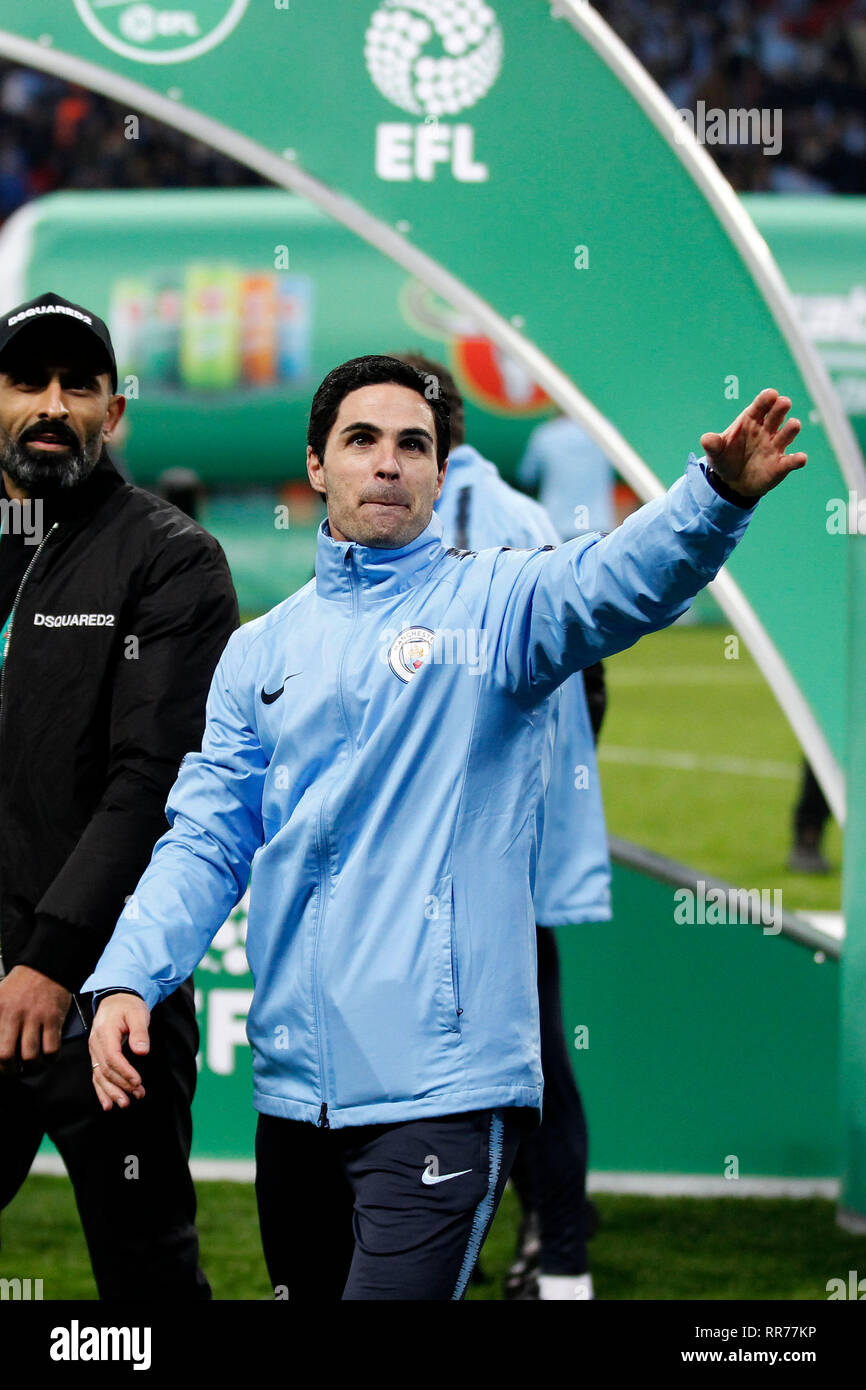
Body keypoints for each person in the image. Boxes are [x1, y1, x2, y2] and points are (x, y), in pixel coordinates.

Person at [85, 356, 805, 1301]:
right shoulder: (258, 652)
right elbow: (207, 838)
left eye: (412, 444)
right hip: (294, 1095)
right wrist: (132, 972)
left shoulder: (499, 606)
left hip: (445, 1095)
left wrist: (712, 499)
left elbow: (617, 582)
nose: (388, 462)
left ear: (439, 471)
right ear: (316, 467)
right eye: (362, 441)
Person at [0, 291, 238, 1300]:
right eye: (27, 381)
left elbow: (153, 782)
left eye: (79, 384)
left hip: (106, 995)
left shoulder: (170, 557)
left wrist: (50, 962)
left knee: (148, 1282)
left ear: (115, 412)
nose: (53, 403)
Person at [398, 353, 607, 1299]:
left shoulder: (465, 525)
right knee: (516, 1055)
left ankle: (556, 1252)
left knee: (513, 1060)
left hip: (474, 853)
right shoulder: (510, 515)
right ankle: (541, 1250)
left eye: (399, 432)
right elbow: (593, 682)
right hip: (501, 849)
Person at [519, 412, 616, 541]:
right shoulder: (604, 433)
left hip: (557, 525)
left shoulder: (546, 434)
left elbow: (526, 476)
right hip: (598, 523)